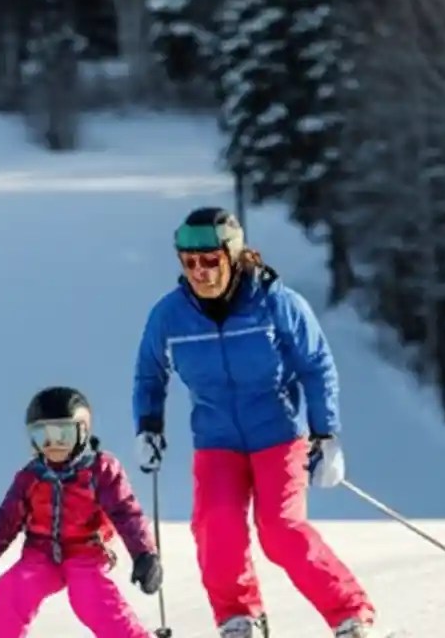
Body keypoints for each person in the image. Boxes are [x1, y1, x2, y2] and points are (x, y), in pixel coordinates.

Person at [130, 207, 379, 638]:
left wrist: (326, 435)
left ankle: (349, 615)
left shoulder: (276, 304)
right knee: (216, 528)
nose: (200, 272)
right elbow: (149, 373)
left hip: (277, 435)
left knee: (281, 531)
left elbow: (316, 365)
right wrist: (148, 426)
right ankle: (239, 618)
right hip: (216, 440)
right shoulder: (168, 316)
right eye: (190, 263)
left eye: (210, 261)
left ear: (233, 255)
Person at [0, 386, 164, 638]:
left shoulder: (99, 470)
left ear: (83, 432)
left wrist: (144, 554)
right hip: (40, 554)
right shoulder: (31, 476)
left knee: (90, 597)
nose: (53, 445)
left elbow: (125, 512)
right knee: (11, 589)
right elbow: (6, 520)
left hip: (87, 552)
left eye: (63, 435)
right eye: (42, 436)